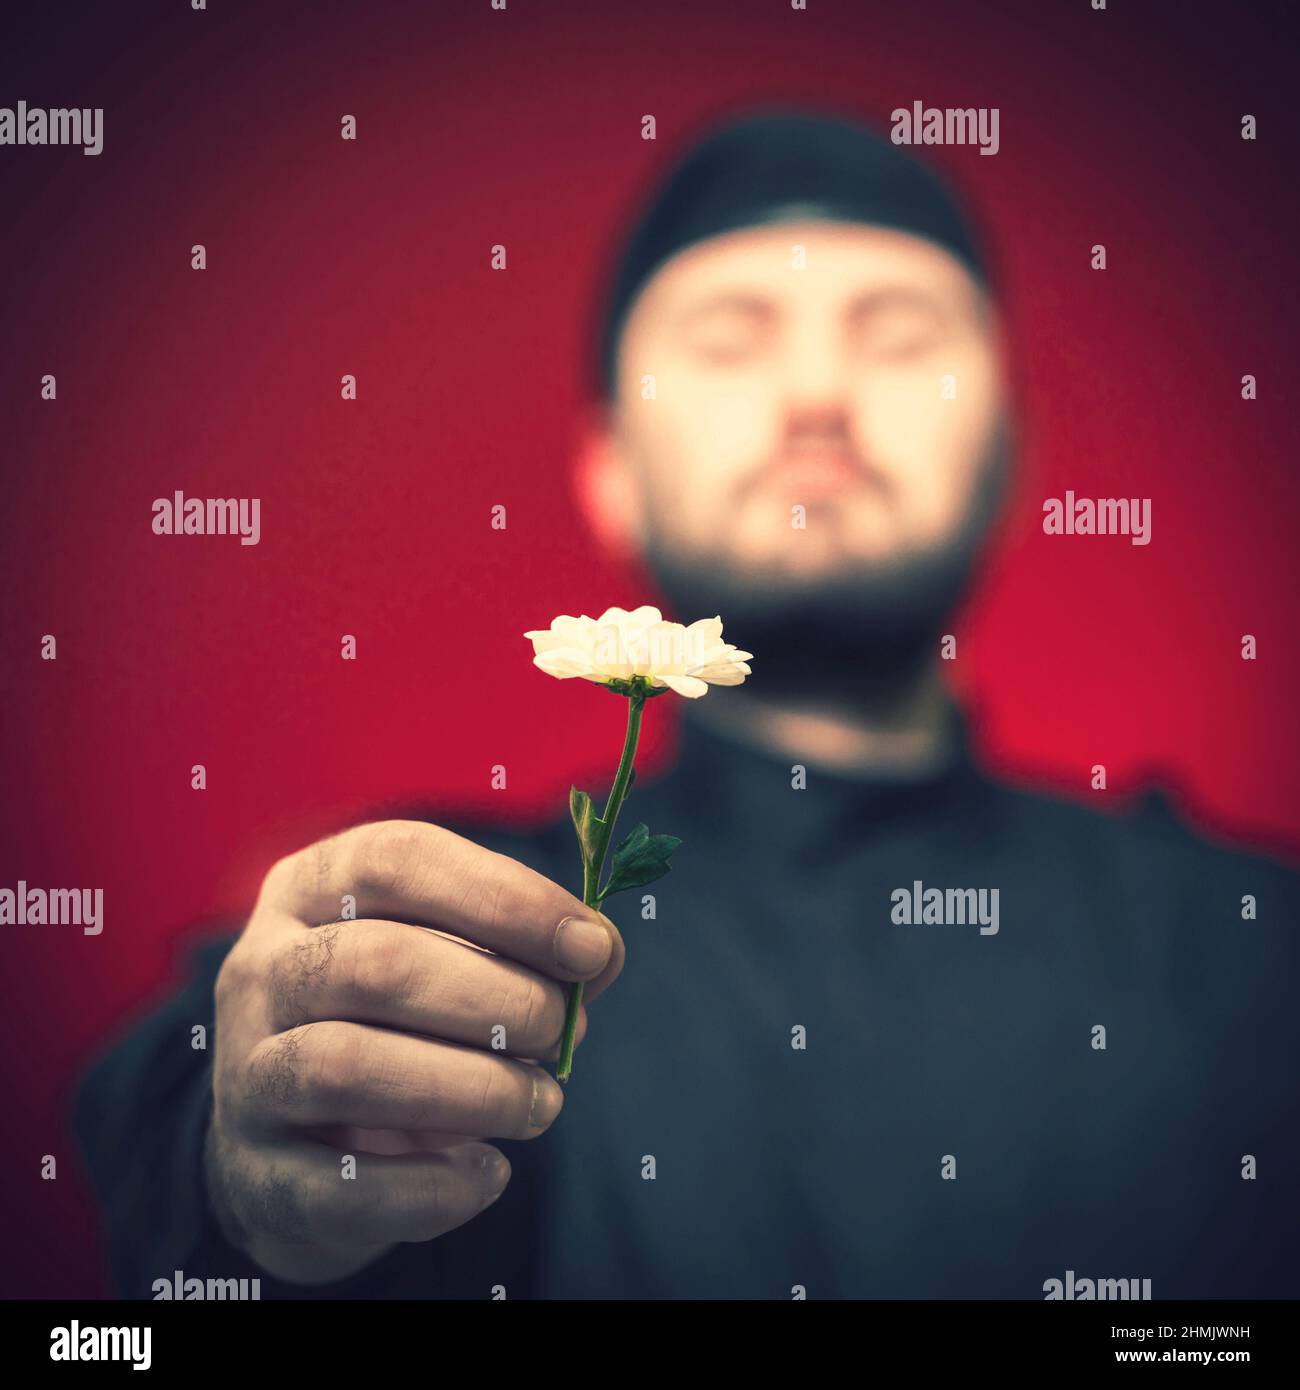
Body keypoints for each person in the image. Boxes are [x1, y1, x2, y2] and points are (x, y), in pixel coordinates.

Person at [75, 108, 1300, 1300]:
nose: (817, 393)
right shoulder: (448, 927)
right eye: (729, 338)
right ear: (611, 478)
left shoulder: (1252, 948)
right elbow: (158, 1130)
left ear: (1009, 459)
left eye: (899, 334)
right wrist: (242, 1160)